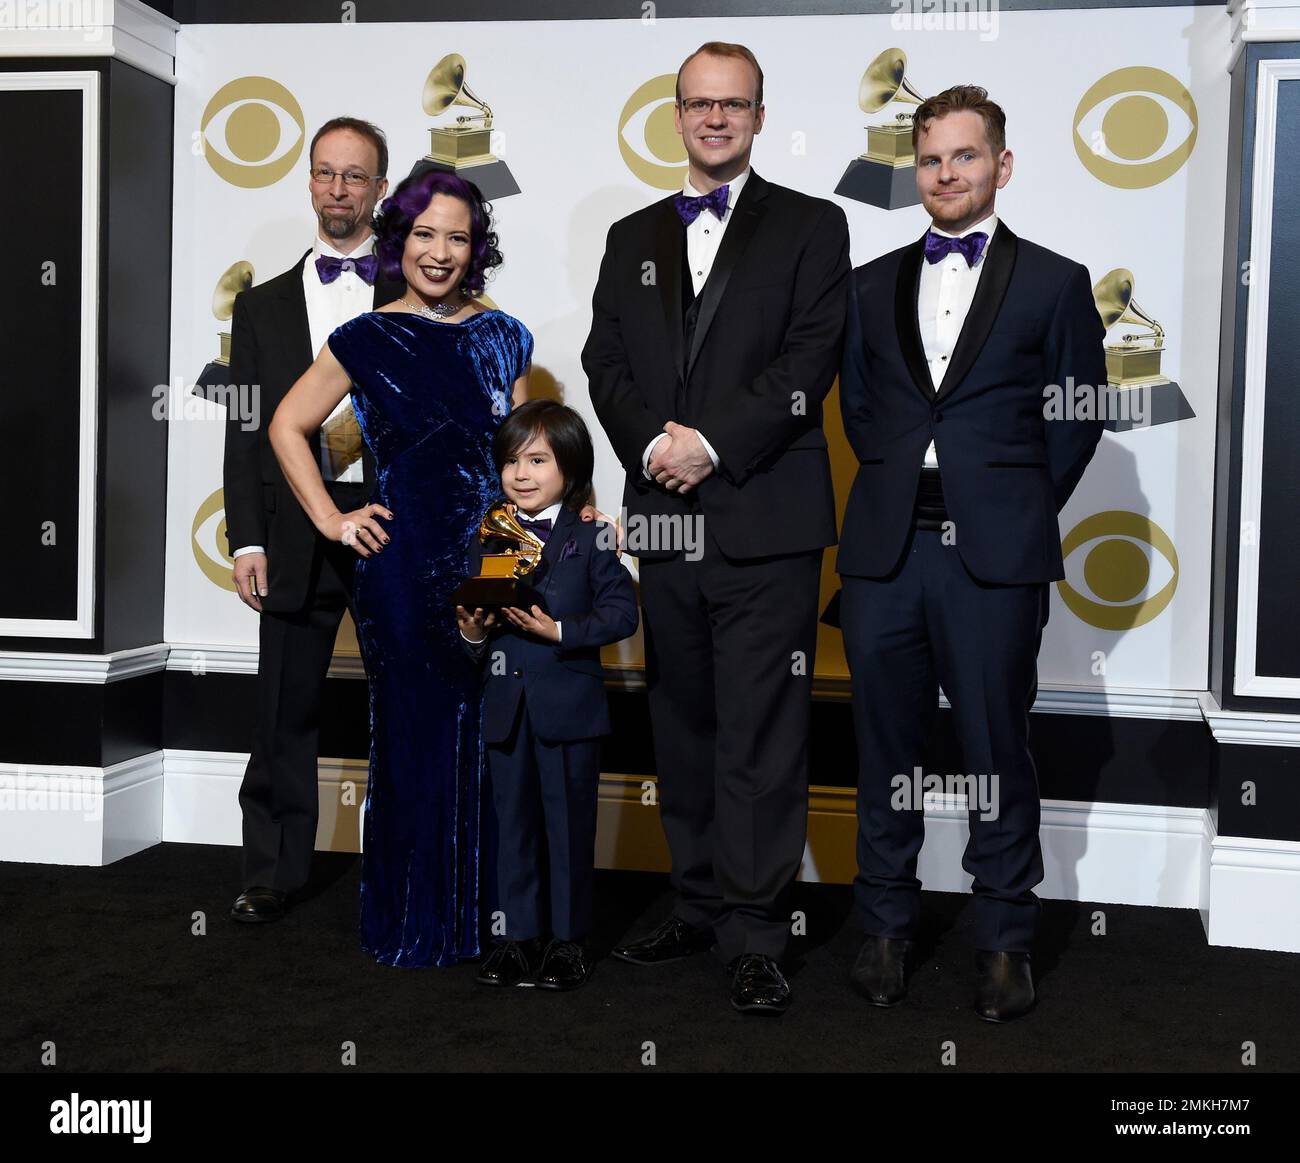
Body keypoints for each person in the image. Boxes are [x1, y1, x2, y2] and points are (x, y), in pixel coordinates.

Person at [582, 41, 850, 1014]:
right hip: (663, 521)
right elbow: (603, 360)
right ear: (677, 113)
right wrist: (654, 444)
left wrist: (711, 444)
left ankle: (754, 928)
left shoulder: (813, 227)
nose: (714, 118)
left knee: (761, 730)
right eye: (699, 103)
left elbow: (809, 358)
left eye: (732, 104)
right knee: (681, 719)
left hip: (765, 516)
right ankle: (695, 902)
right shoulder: (630, 235)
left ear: (759, 114)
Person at [836, 85, 1106, 1021]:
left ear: (1001, 163)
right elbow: (861, 409)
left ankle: (1003, 937)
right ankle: (883, 927)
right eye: (930, 159)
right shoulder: (870, 283)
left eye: (964, 156)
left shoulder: (1056, 282)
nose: (945, 174)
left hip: (993, 555)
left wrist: (1014, 507)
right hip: (884, 549)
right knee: (885, 746)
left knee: (996, 747)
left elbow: (1076, 415)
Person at [267, 169, 534, 967]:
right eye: (424, 235)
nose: (440, 252)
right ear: (399, 242)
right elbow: (285, 425)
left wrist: (520, 558)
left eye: (457, 237)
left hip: (493, 558)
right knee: (413, 738)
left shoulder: (506, 335)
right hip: (399, 565)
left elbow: (521, 461)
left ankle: (496, 919)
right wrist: (331, 517)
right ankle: (413, 921)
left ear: (476, 248)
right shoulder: (363, 337)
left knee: (492, 739)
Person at [224, 117, 402, 924]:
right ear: (309, 183)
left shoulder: (415, 290)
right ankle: (272, 870)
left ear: (381, 189)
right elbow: (245, 427)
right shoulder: (258, 306)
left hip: (392, 522)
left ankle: (404, 868)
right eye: (326, 173)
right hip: (295, 524)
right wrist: (248, 535)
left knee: (405, 702)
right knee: (283, 705)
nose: (338, 189)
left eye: (355, 176)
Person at [456, 401, 638, 991]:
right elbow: (472, 619)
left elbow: (622, 615)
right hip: (505, 709)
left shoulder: (593, 532)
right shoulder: (491, 531)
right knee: (514, 829)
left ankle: (568, 943)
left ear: (571, 465)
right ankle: (517, 939)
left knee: (567, 830)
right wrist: (473, 632)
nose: (522, 474)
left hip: (570, 709)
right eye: (511, 461)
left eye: (537, 459)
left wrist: (559, 631)